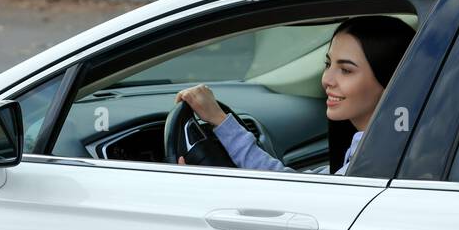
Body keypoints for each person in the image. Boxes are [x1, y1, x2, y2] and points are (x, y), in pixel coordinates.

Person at [174, 15, 416, 175]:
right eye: (328, 64)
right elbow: (300, 184)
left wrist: (220, 121)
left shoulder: (376, 164)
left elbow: (293, 194)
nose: (326, 80)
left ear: (391, 79)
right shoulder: (380, 148)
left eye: (346, 70)